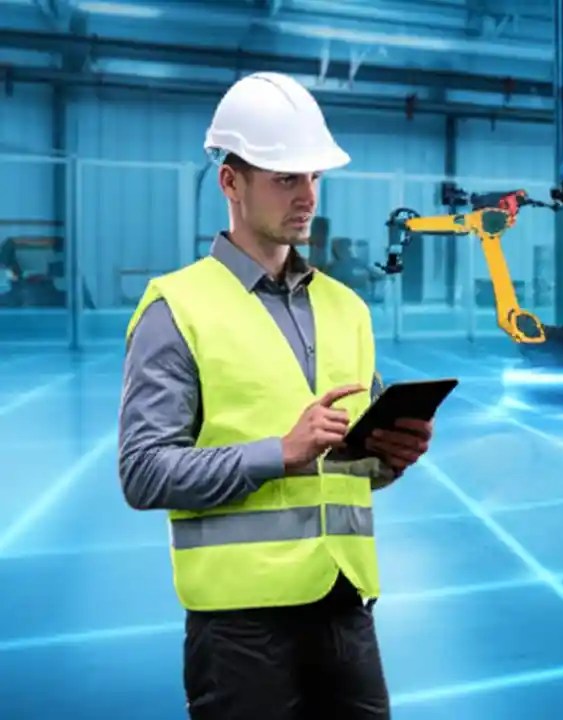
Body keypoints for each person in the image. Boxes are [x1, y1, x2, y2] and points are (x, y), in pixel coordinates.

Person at [117, 71, 431, 720]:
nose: (308, 196)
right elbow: (142, 473)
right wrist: (275, 454)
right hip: (240, 632)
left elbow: (346, 473)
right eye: (286, 178)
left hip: (347, 611)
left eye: (314, 176)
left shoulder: (347, 309)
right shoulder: (178, 308)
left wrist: (389, 457)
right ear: (230, 182)